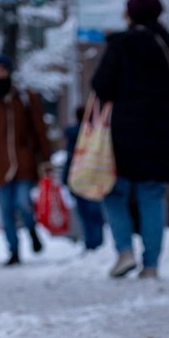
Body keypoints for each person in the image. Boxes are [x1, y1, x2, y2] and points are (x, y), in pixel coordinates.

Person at [90, 0, 169, 280]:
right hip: (159, 132)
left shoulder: (121, 45)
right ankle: (152, 264)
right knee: (152, 195)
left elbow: (101, 86)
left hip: (123, 133)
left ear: (131, 14)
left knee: (115, 192)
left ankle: (124, 252)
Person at [0, 55, 51, 266]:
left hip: (24, 162)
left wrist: (45, 159)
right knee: (5, 210)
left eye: (3, 70)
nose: (0, 75)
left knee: (23, 202)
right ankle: (14, 250)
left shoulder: (26, 99)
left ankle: (31, 229)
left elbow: (39, 129)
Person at [62, 104, 105, 252]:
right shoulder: (96, 134)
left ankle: (90, 243)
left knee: (85, 213)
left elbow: (69, 159)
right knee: (94, 213)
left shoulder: (72, 135)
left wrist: (66, 178)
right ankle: (97, 243)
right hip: (92, 177)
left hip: (77, 178)